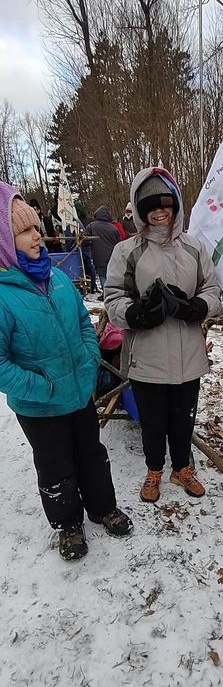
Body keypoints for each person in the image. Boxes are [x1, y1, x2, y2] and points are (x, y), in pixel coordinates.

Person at [0, 181, 132, 561]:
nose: (36, 235)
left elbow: (81, 325)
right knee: (56, 465)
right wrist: (42, 387)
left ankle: (102, 507)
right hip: (40, 406)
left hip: (79, 392)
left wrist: (90, 363)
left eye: (35, 226)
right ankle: (69, 524)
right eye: (24, 230)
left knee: (92, 452)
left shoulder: (57, 278)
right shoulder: (4, 295)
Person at [104, 166, 223, 503]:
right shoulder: (127, 252)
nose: (159, 211)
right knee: (153, 422)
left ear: (175, 206)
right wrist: (135, 313)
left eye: (166, 204)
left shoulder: (195, 248)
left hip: (189, 356)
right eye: (151, 205)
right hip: (148, 357)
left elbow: (215, 291)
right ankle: (155, 468)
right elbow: (112, 298)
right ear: (140, 210)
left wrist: (196, 307)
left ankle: (182, 467)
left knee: (182, 420)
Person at [85, 206, 120, 293]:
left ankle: (106, 293)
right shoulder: (113, 228)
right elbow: (119, 243)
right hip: (112, 256)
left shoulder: (91, 226)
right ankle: (113, 292)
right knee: (112, 276)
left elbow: (85, 241)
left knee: (102, 275)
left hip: (98, 256)